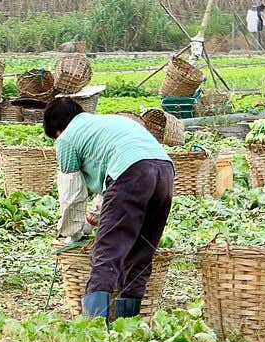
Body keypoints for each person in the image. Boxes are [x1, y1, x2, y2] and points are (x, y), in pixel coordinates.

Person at [45, 96, 174, 321]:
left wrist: (71, 233)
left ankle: (94, 328)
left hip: (131, 172)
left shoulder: (66, 139)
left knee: (107, 251)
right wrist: (91, 221)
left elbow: (72, 196)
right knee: (140, 252)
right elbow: (109, 193)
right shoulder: (104, 125)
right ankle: (129, 326)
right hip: (164, 172)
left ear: (58, 129)